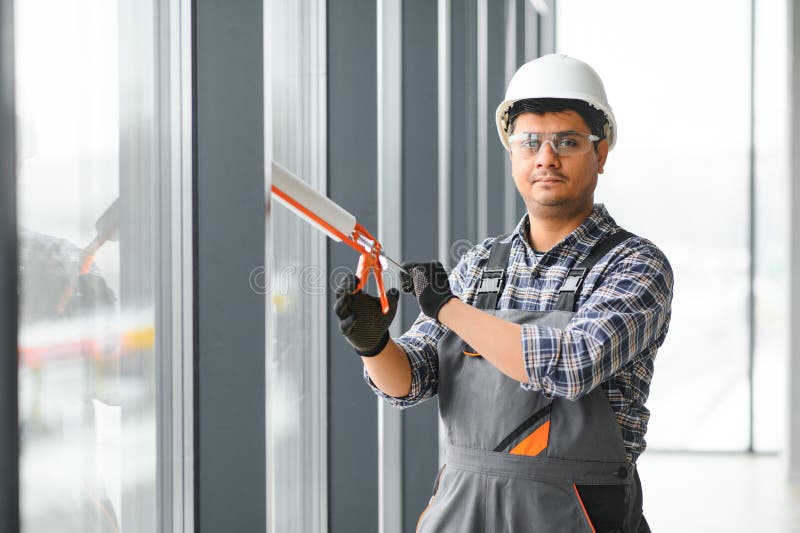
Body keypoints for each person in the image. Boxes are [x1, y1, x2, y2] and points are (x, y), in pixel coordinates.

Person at [334, 53, 673, 532]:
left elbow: (572, 364)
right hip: (462, 510)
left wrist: (450, 309)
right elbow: (411, 383)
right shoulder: (480, 265)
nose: (546, 157)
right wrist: (373, 346)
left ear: (601, 153)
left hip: (575, 517)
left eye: (568, 142)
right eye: (530, 142)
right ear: (512, 153)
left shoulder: (634, 266)